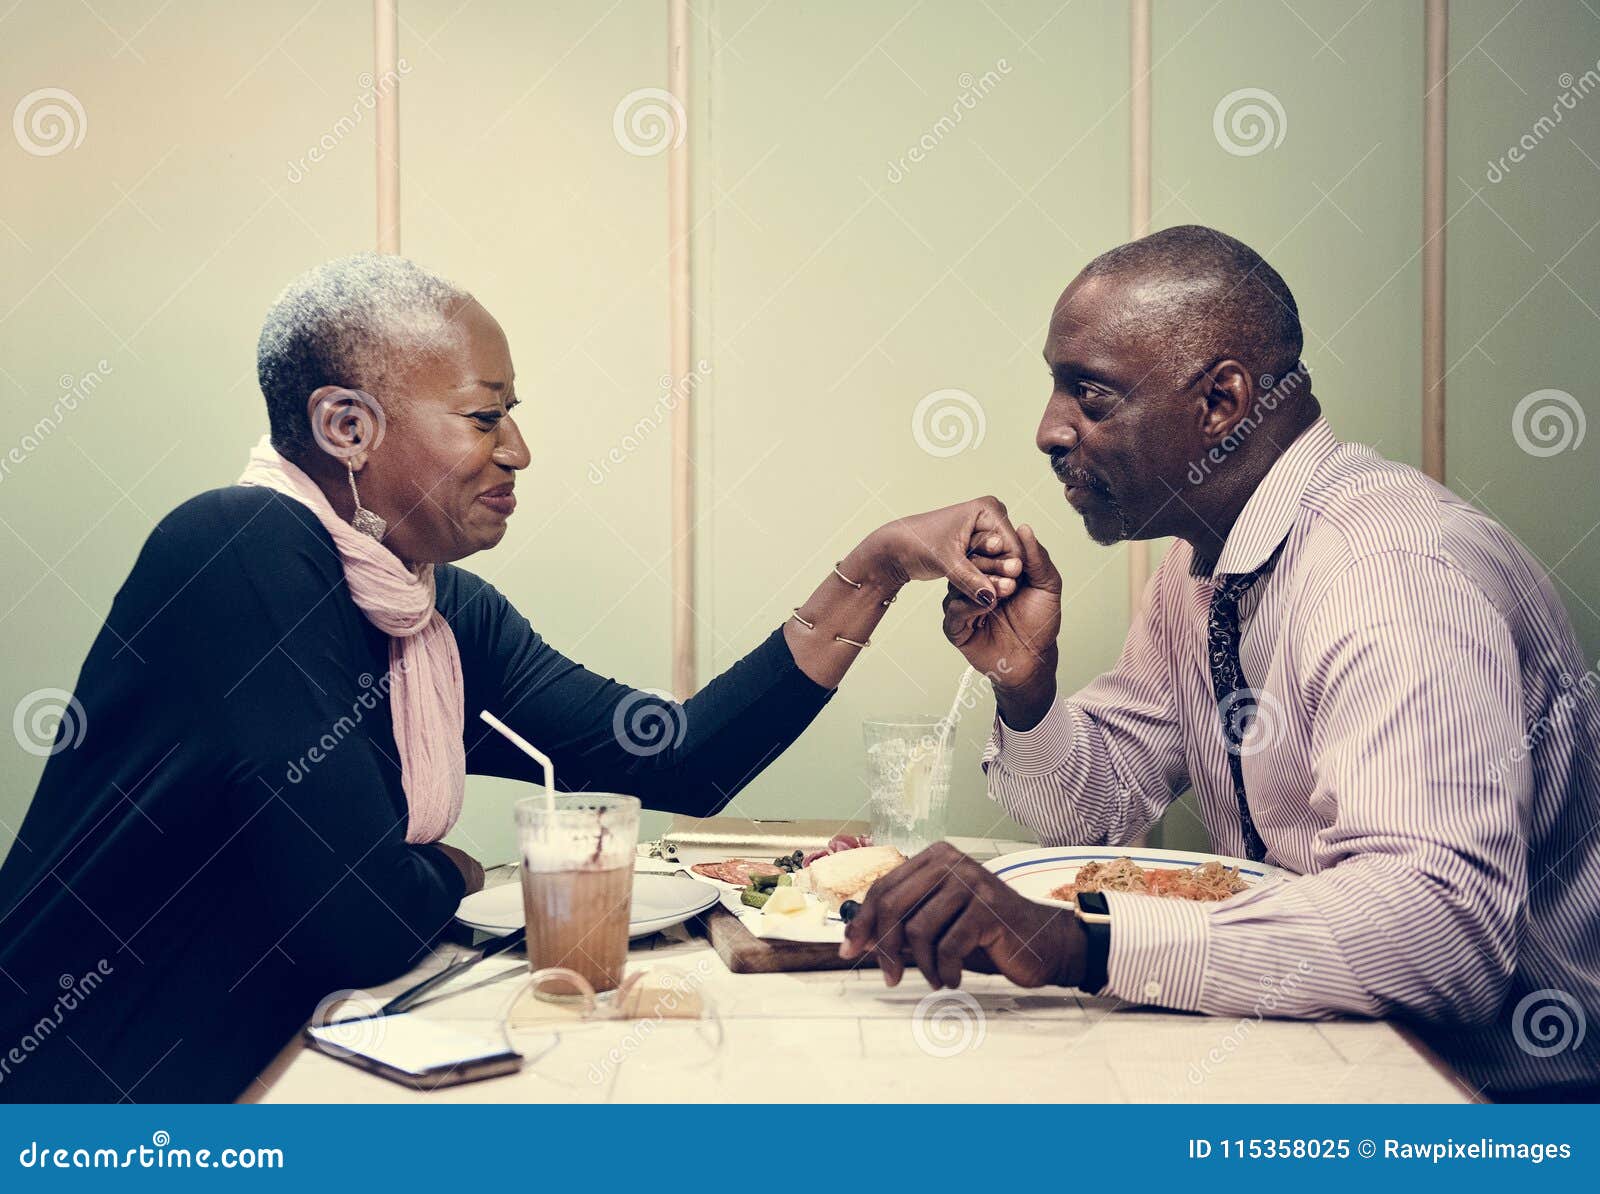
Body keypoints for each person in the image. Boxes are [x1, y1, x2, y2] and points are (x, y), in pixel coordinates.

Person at [0, 253, 1026, 1102]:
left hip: (272, 1064)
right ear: (345, 428)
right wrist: (453, 871)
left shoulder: (434, 610)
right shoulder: (238, 552)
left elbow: (682, 759)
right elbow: (357, 920)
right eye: (485, 418)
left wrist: (880, 564)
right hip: (99, 1090)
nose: (520, 450)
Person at [841, 225, 1600, 1102]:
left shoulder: (1391, 578)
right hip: (1314, 1055)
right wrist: (1027, 689)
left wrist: (1085, 942)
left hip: (1493, 1106)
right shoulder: (1206, 562)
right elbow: (1095, 810)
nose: (1049, 430)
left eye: (1089, 393)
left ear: (1222, 401)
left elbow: (1438, 931)